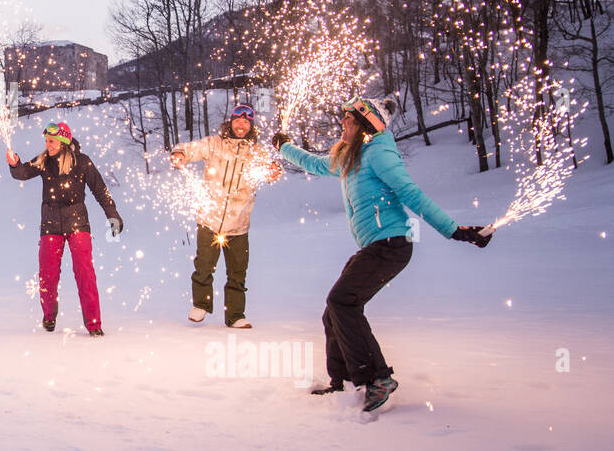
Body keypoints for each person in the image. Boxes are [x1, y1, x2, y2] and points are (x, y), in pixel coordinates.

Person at [273, 95, 492, 412]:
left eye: (348, 118)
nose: (342, 123)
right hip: (375, 245)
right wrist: (284, 147)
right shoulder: (352, 157)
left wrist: (454, 230)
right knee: (333, 309)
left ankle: (378, 379)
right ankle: (345, 380)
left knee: (342, 301)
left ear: (365, 123)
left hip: (391, 244)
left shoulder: (380, 154)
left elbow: (410, 193)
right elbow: (315, 164)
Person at [169, 104, 281, 328]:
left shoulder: (256, 151)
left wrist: (273, 172)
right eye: (238, 121)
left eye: (246, 122)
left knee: (238, 273)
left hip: (239, 224)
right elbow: (191, 149)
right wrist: (179, 153)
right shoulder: (214, 144)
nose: (242, 125)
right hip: (210, 219)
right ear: (231, 122)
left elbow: (269, 172)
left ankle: (235, 316)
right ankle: (201, 305)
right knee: (203, 267)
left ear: (251, 126)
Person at [6, 121, 123, 335]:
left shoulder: (82, 162)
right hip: (50, 225)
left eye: (51, 141)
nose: (47, 145)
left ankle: (94, 324)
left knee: (85, 274)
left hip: (77, 223)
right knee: (47, 276)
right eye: (46, 141)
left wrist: (112, 214)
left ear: (63, 142)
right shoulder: (43, 161)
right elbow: (22, 173)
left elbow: (100, 190)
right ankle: (49, 315)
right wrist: (15, 164)